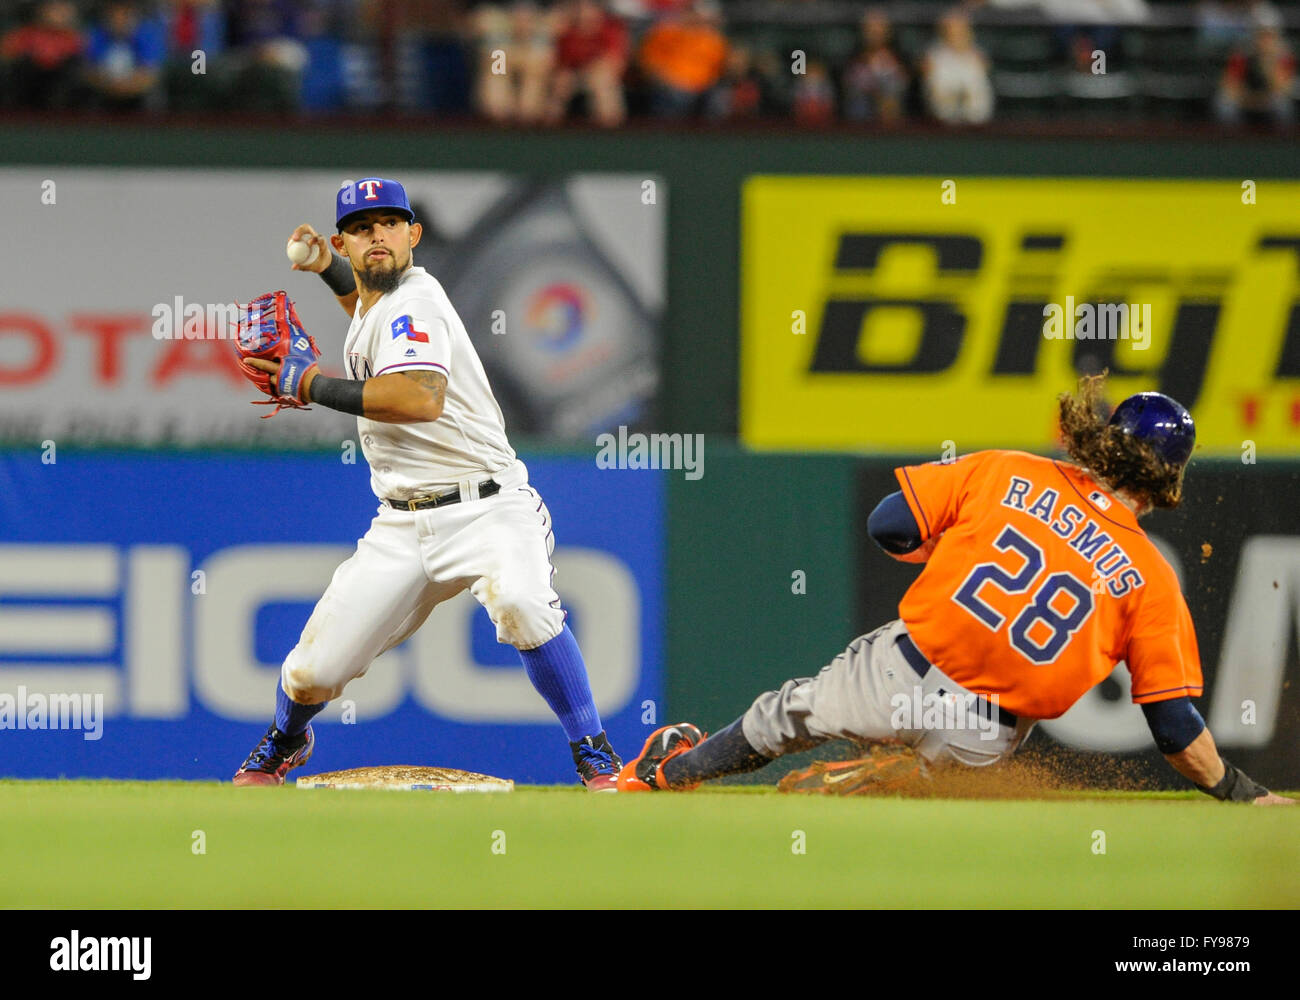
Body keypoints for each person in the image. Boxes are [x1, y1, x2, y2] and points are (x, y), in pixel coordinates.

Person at [619, 375, 1294, 805]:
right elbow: (1175, 727)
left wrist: (947, 551)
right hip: (982, 737)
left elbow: (890, 522)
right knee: (922, 816)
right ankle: (891, 782)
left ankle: (666, 774)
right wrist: (1241, 793)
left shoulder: (1009, 469)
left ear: (1106, 440)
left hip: (897, 672)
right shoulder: (1149, 576)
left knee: (784, 716)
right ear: (1170, 481)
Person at [231, 177, 623, 790]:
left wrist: (307, 384)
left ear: (414, 234)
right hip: (402, 524)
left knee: (522, 604)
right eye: (361, 230)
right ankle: (286, 739)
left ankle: (594, 752)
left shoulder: (418, 298)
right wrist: (326, 267)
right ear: (348, 242)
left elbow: (417, 398)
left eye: (388, 224)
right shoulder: (378, 302)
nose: (376, 236)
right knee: (312, 671)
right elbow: (363, 306)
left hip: (488, 507)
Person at [921, 7, 993, 124]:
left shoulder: (978, 56)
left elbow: (980, 90)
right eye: (951, 29)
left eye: (960, 29)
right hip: (942, 120)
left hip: (976, 120)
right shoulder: (932, 57)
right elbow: (934, 91)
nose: (955, 34)